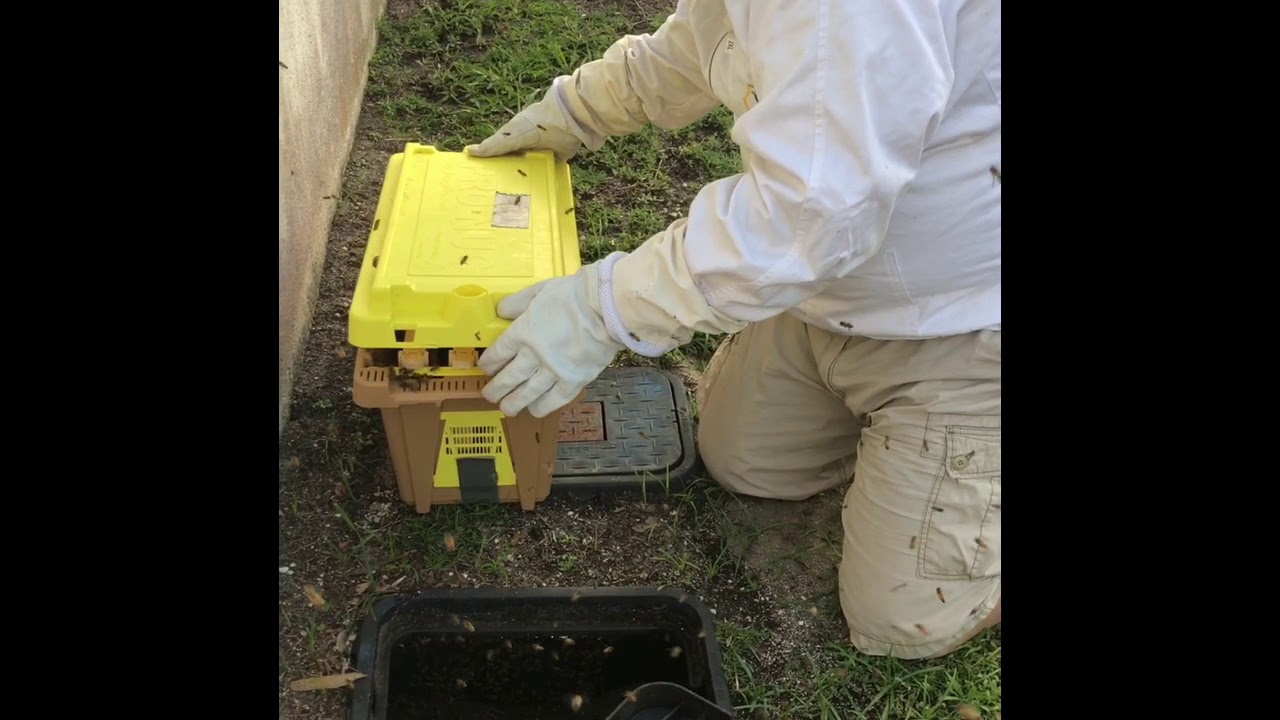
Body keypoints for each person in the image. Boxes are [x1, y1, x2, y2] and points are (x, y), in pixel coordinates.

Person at [468, 0, 1000, 660]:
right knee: (745, 463)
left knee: (900, 626)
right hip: (823, 294)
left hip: (965, 321)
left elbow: (813, 215)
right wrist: (578, 109)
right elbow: (703, 41)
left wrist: (603, 309)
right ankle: (905, 449)